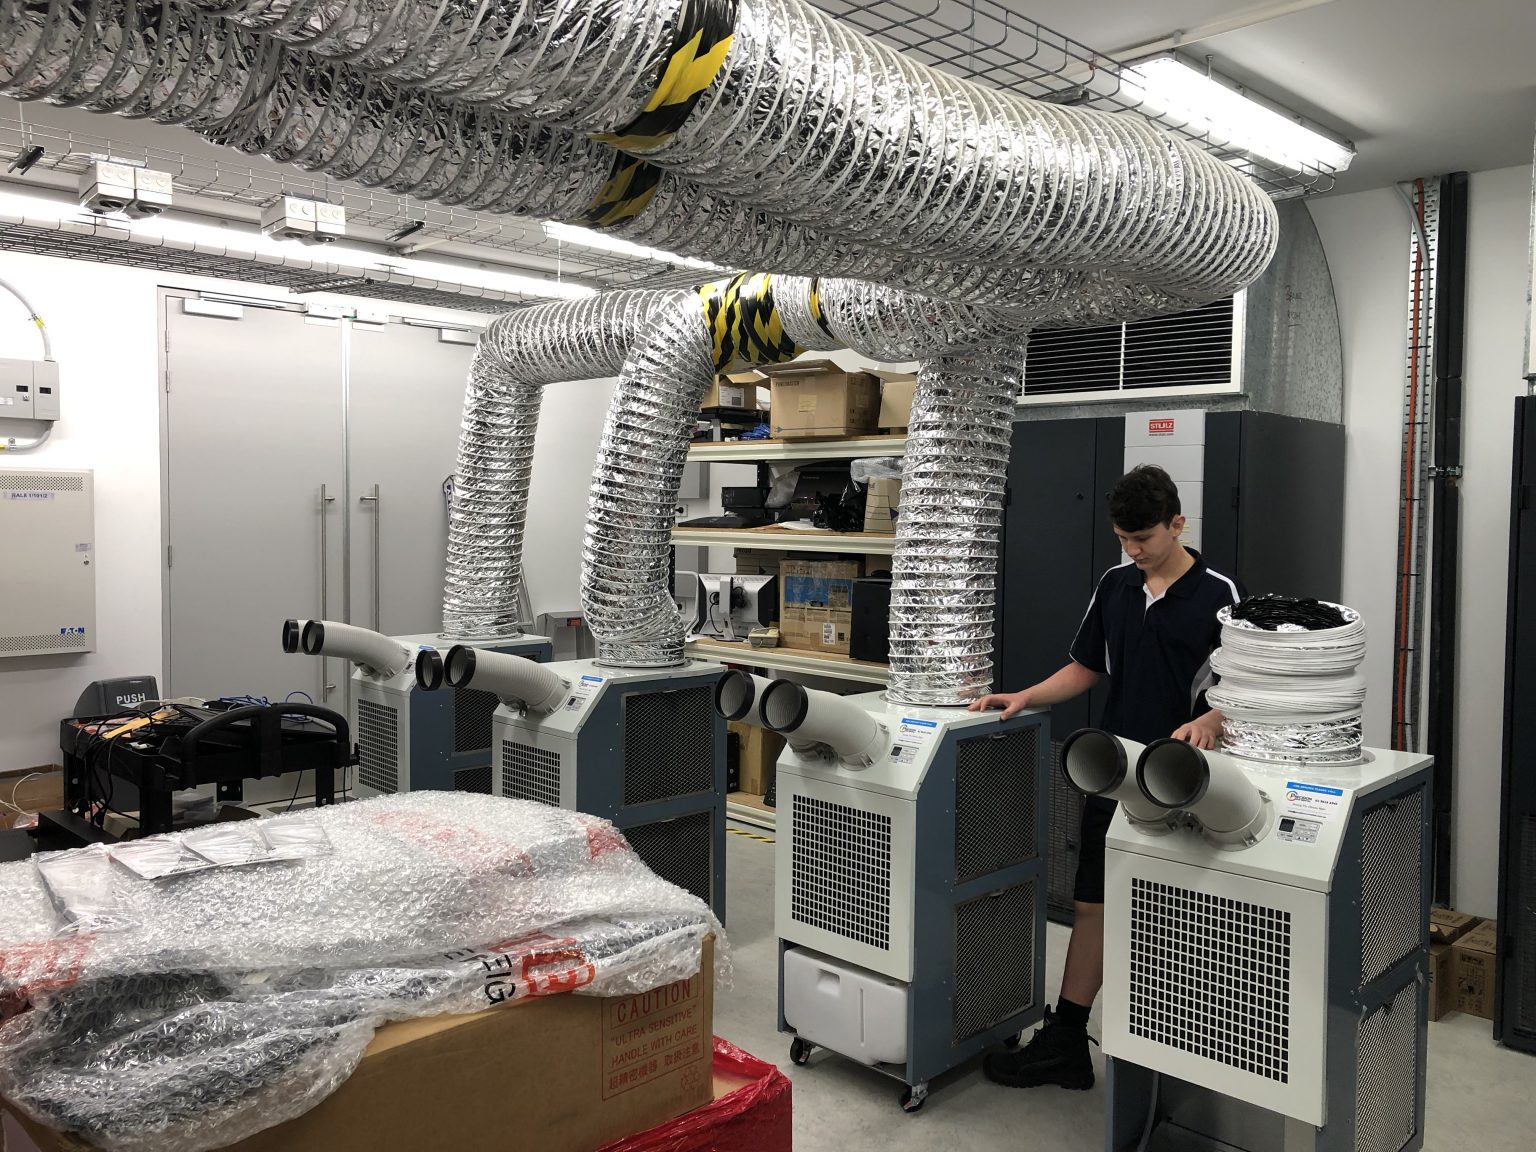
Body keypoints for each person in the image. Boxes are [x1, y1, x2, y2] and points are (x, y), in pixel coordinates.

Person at [969, 463, 1242, 1091]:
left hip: (1185, 783)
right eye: (1122, 538)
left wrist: (1212, 718)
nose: (1133, 550)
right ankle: (1067, 1038)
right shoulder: (1117, 586)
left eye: (1143, 538)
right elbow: (1086, 666)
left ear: (1178, 524)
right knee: (1092, 902)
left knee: (1174, 916)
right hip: (1117, 773)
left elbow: (1249, 687)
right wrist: (1026, 697)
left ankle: (1181, 1055)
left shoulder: (1219, 594)